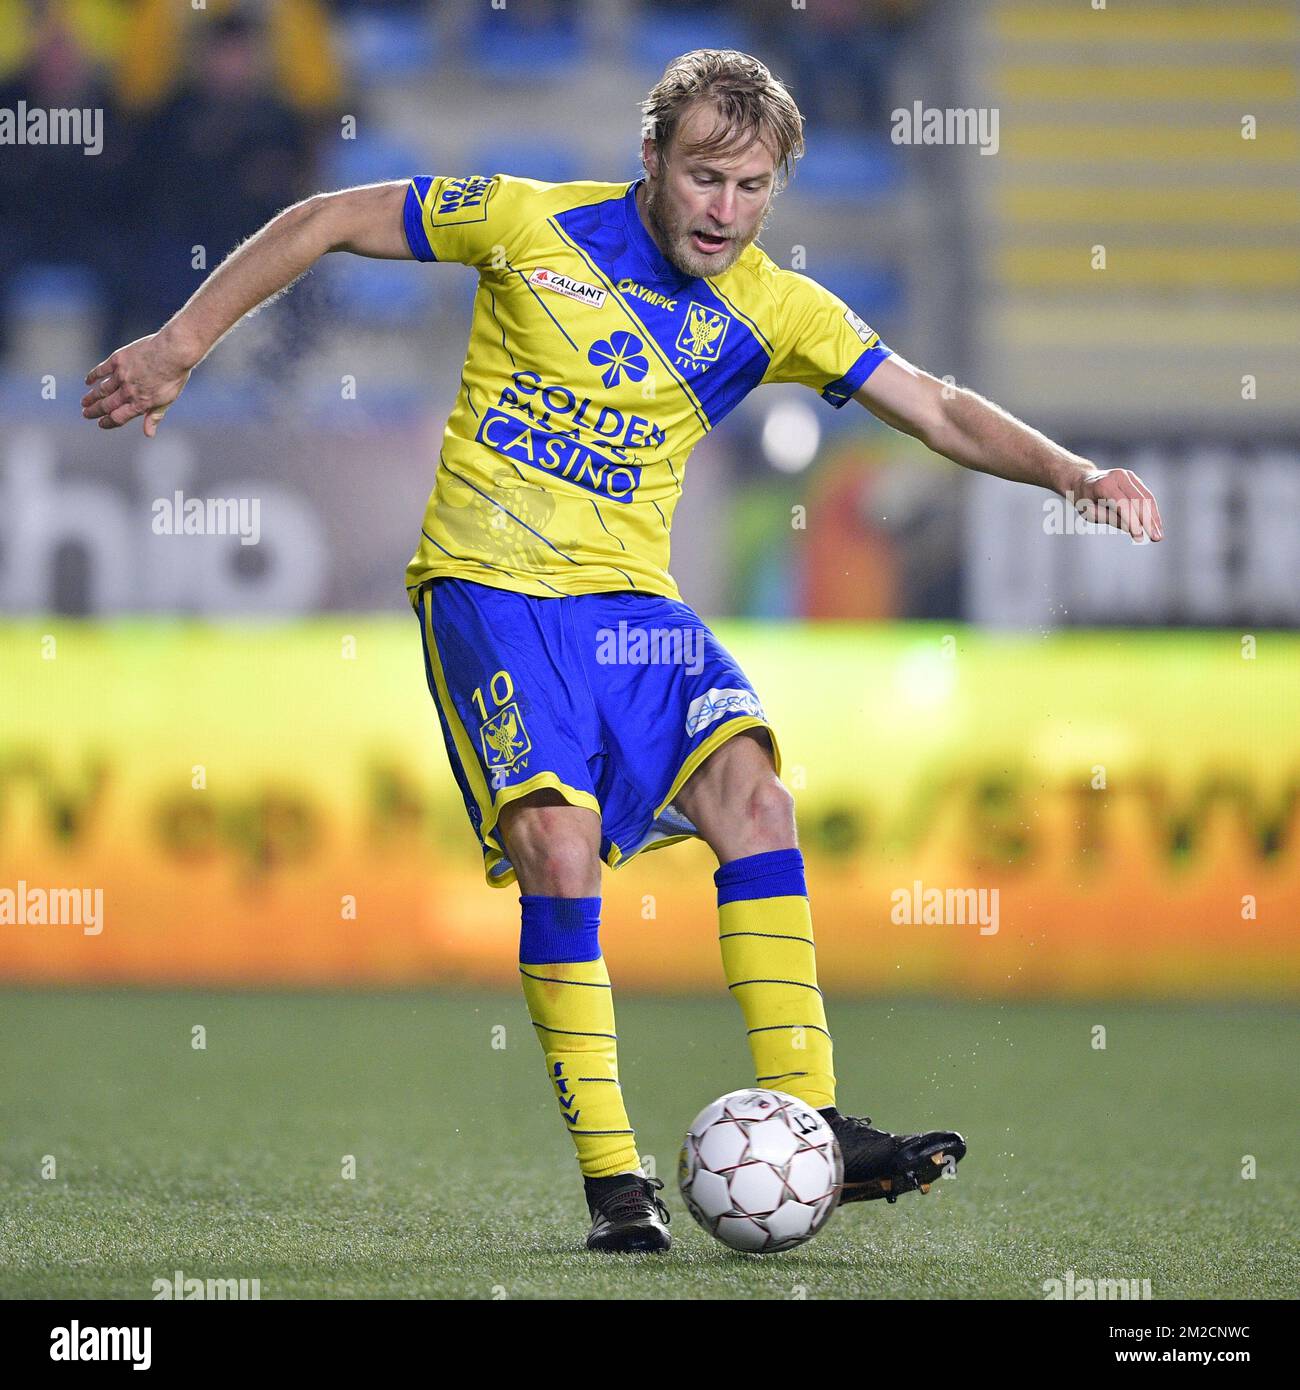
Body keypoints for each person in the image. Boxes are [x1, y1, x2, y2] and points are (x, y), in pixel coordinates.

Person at [81, 49, 1162, 1253]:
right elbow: (328, 217)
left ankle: (810, 1118)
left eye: (753, 188)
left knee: (756, 797)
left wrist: (1073, 472)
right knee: (557, 846)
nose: (726, 211)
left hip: (634, 609)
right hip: (490, 590)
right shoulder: (523, 223)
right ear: (651, 160)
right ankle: (614, 1183)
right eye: (705, 177)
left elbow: (941, 405)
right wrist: (180, 344)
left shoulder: (776, 307)